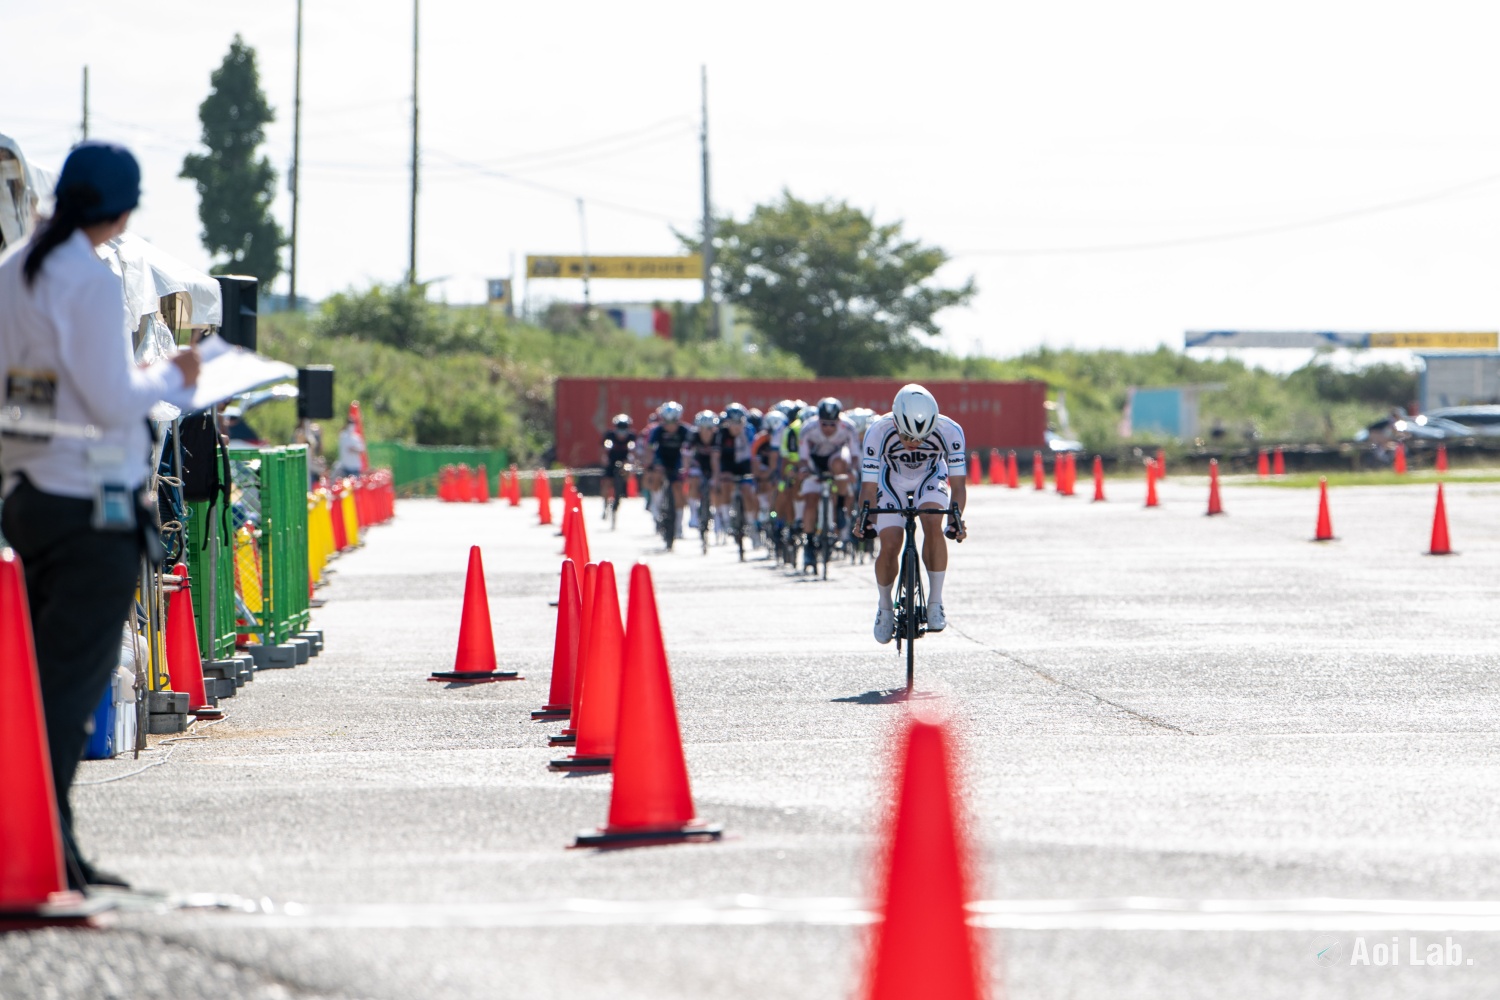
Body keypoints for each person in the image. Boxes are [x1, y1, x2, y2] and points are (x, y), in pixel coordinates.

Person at [0, 141, 201, 891]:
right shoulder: (85, 278)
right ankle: (44, 842)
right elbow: (113, 398)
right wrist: (173, 376)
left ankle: (51, 839)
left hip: (28, 496)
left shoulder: (14, 270)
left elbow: (22, 396)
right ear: (119, 209)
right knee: (67, 691)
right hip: (91, 509)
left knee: (37, 682)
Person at [853, 384, 967, 642]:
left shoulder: (951, 431)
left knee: (932, 521)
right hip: (891, 480)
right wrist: (865, 519)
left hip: (930, 476)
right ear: (894, 421)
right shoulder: (877, 431)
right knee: (891, 542)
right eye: (906, 437)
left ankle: (935, 602)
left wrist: (955, 519)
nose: (913, 444)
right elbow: (868, 487)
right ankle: (884, 608)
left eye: (921, 438)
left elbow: (958, 486)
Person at [798, 396, 858, 569]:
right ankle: (809, 544)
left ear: (839, 420)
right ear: (818, 420)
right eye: (824, 424)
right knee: (810, 501)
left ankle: (839, 507)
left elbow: (854, 454)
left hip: (836, 461)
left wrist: (852, 471)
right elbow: (803, 457)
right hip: (814, 463)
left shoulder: (849, 428)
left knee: (840, 465)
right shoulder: (808, 428)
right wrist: (804, 470)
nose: (828, 428)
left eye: (833, 424)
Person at [644, 401, 689, 537]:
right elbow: (650, 448)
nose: (670, 426)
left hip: (677, 459)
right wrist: (649, 465)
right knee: (657, 476)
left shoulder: (685, 431)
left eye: (673, 422)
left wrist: (686, 467)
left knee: (677, 488)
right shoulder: (657, 430)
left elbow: (688, 451)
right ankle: (656, 507)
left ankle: (679, 525)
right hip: (661, 458)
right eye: (667, 422)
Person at [599, 413, 636, 519]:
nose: (622, 430)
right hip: (611, 460)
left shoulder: (631, 436)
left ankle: (623, 486)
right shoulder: (609, 435)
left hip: (624, 460)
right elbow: (604, 448)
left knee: (627, 470)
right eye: (620, 427)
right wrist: (604, 458)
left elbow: (633, 450)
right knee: (606, 483)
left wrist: (631, 461)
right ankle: (605, 505)